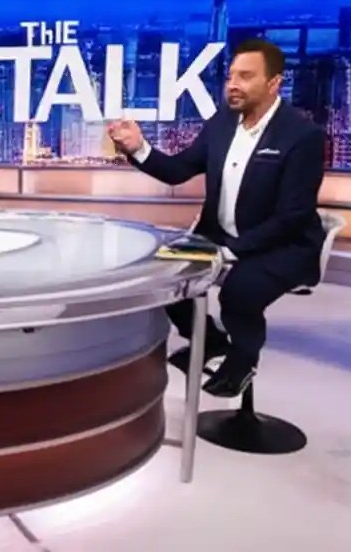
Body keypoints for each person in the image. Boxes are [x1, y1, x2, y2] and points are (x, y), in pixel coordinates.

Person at [107, 38, 326, 398]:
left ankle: (243, 359)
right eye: (230, 76)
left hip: (283, 245)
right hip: (221, 236)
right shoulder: (222, 123)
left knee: (240, 291)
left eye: (246, 77)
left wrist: (230, 252)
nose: (233, 85)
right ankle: (209, 341)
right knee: (168, 275)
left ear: (274, 83)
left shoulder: (302, 136)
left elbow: (292, 216)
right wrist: (138, 148)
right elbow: (178, 170)